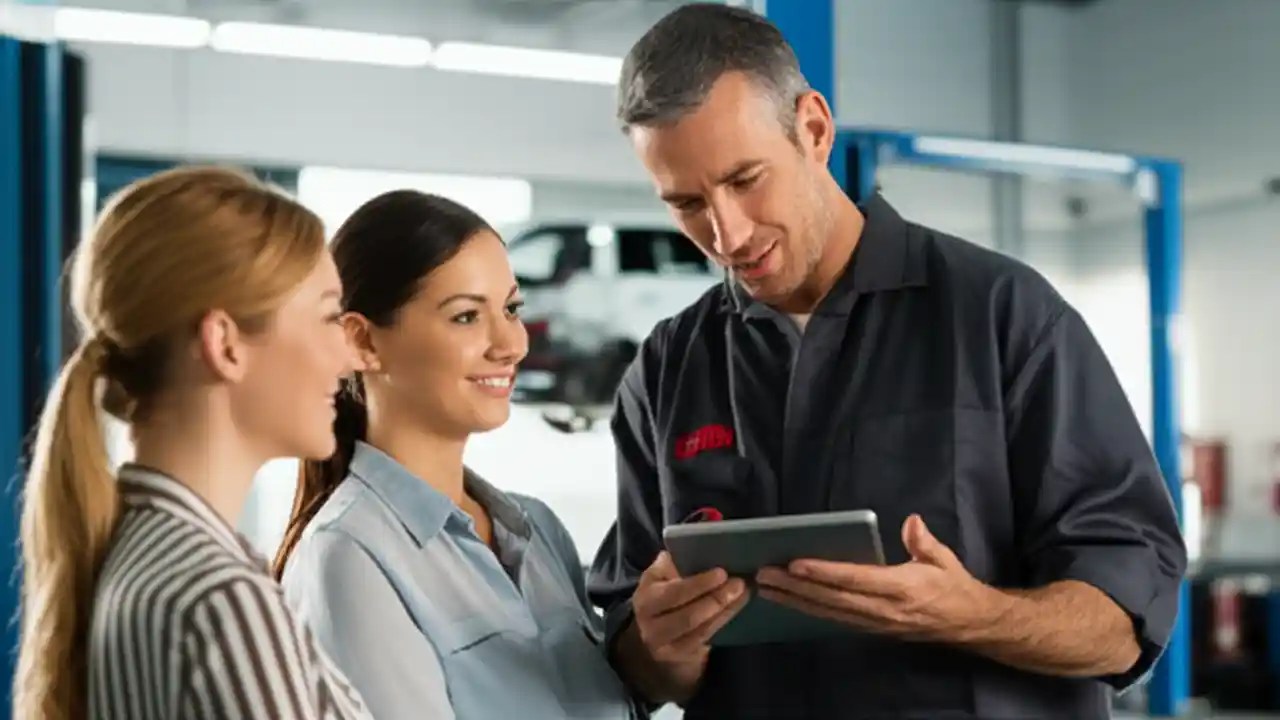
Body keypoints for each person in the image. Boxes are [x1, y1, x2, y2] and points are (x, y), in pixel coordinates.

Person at [586, 4, 1188, 719]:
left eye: (746, 179)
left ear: (813, 128)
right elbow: (629, 646)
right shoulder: (667, 368)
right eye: (687, 203)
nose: (727, 234)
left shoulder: (1004, 316)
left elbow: (1124, 623)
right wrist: (658, 650)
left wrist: (972, 615)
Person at [13, 167, 370, 720]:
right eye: (328, 318)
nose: (350, 359)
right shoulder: (224, 599)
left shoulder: (144, 557)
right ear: (225, 344)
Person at [273, 190, 639, 720]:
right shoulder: (347, 557)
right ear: (362, 343)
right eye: (467, 316)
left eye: (512, 309)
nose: (510, 343)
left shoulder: (539, 532)